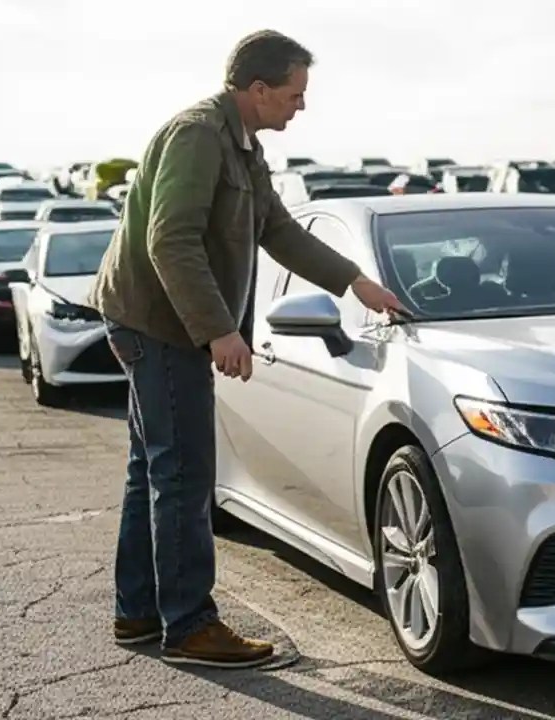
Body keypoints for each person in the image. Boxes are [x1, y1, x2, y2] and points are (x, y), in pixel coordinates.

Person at [87, 29, 404, 668]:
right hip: (159, 326)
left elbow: (280, 231)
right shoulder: (198, 135)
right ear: (257, 90)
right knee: (183, 474)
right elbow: (169, 240)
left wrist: (354, 281)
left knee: (152, 470)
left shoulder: (245, 147)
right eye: (294, 94)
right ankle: (191, 627)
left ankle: (141, 613)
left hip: (166, 324)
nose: (301, 106)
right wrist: (218, 331)